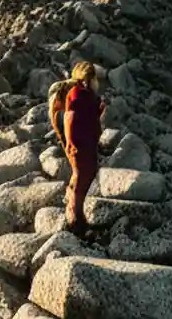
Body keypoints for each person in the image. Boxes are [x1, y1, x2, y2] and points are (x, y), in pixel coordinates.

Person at [63, 61, 106, 234]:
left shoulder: (85, 94)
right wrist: (71, 142)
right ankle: (76, 220)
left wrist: (100, 109)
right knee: (83, 178)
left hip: (86, 143)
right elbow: (70, 117)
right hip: (81, 145)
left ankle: (73, 212)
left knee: (82, 176)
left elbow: (89, 115)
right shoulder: (78, 93)